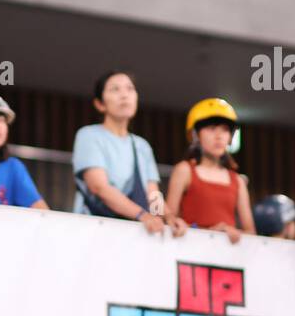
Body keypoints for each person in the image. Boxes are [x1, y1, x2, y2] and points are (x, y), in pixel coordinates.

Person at [72, 70, 185, 236]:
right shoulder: (89, 135)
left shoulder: (141, 146)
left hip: (131, 233)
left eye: (130, 89)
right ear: (100, 104)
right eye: (115, 89)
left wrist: (168, 217)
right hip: (93, 230)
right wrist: (142, 215)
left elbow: (153, 194)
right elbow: (99, 187)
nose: (124, 95)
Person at [165, 98, 255, 242]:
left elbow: (251, 233)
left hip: (228, 259)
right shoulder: (184, 170)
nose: (219, 136)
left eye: (225, 130)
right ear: (196, 135)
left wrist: (232, 233)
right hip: (189, 256)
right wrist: (209, 233)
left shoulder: (238, 181)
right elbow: (168, 220)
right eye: (211, 129)